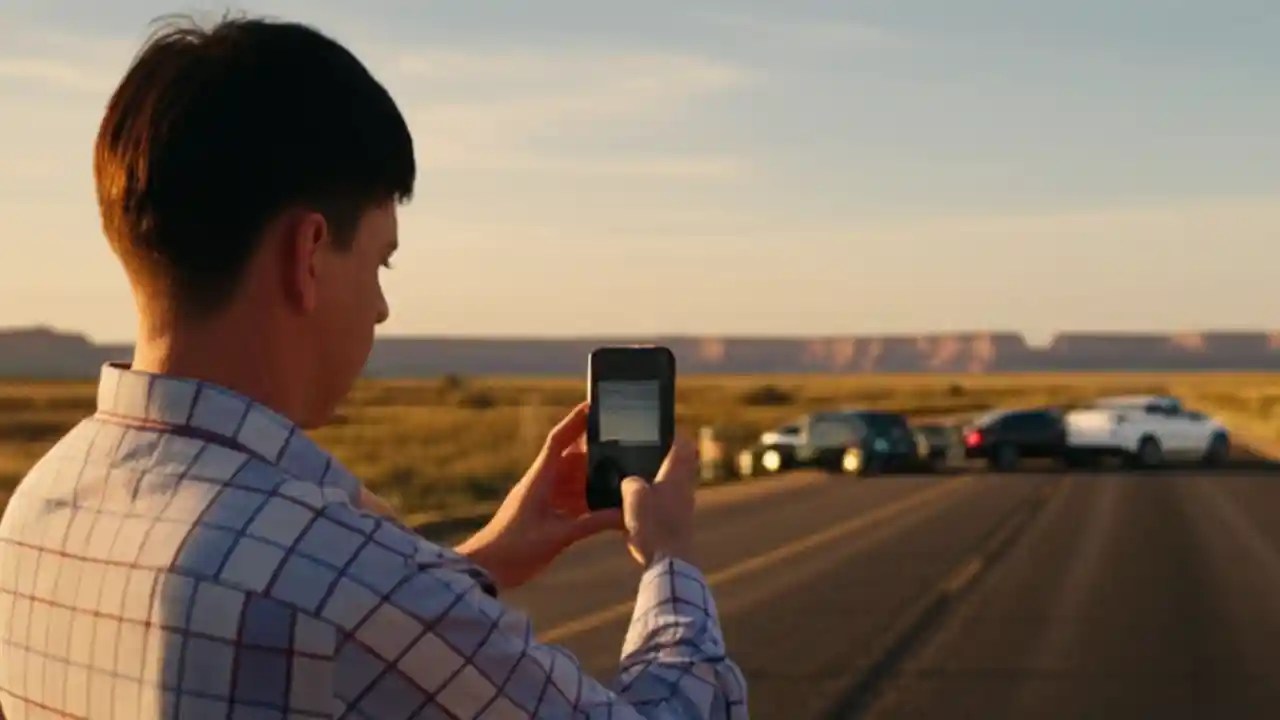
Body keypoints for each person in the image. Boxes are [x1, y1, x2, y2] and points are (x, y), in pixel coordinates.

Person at [0, 15, 746, 719]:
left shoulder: (39, 509)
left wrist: (481, 561)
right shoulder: (343, 582)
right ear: (308, 255)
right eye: (380, 262)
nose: (382, 307)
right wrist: (670, 561)